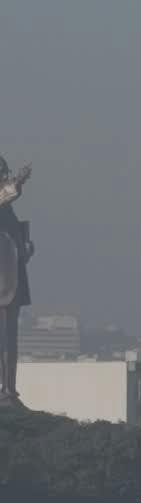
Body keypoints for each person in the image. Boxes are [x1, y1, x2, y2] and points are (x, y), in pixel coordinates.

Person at [0, 155, 28, 410]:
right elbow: (8, 193)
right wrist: (17, 182)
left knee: (9, 338)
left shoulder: (8, 212)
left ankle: (8, 389)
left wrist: (26, 249)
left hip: (11, 282)